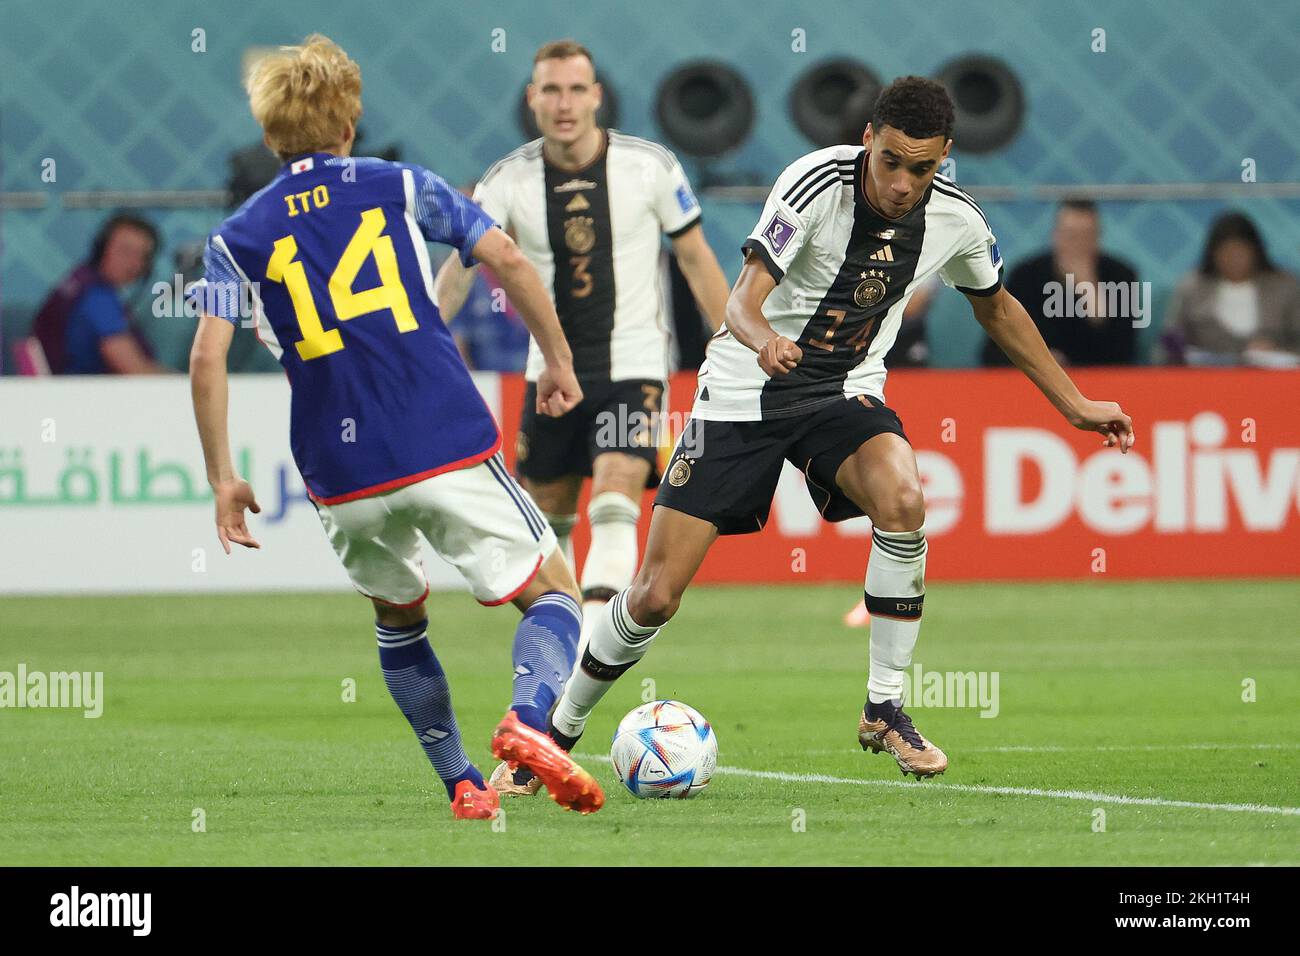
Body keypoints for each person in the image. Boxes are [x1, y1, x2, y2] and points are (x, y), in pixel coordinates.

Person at [549, 76, 1135, 780]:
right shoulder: (813, 184)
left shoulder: (956, 220)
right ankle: (554, 736)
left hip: (842, 390)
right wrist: (764, 339)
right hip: (744, 390)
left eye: (921, 168)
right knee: (653, 597)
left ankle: (884, 708)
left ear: (944, 157)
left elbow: (998, 309)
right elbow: (741, 301)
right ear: (868, 141)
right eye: (890, 161)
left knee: (905, 501)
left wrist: (1074, 404)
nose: (901, 183)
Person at [188, 34, 604, 820]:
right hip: (440, 436)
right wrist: (556, 361)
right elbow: (507, 257)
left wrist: (222, 478)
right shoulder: (400, 185)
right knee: (554, 594)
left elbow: (207, 359)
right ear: (350, 124)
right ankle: (527, 718)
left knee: (398, 617)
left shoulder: (235, 238)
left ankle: (462, 784)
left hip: (340, 477)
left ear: (272, 136)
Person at [433, 39, 732, 797]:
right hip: (551, 379)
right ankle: (552, 706)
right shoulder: (507, 180)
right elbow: (462, 269)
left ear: (597, 94)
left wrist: (737, 341)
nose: (563, 103)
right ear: (533, 100)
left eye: (574, 89)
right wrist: (425, 352)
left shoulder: (650, 167)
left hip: (635, 368)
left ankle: (562, 712)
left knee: (615, 495)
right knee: (545, 548)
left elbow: (696, 258)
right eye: (549, 91)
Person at [981, 199, 1139, 367]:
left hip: (1098, 379)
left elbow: (1124, 354)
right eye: (1071, 235)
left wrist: (1088, 288)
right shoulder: (1026, 275)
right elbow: (995, 349)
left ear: (1098, 237)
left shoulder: (1121, 276)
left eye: (1086, 236)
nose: (1078, 245)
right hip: (1035, 377)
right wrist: (1039, 360)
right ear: (1056, 235)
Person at [31, 213, 170, 374]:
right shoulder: (98, 299)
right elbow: (134, 369)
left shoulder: (78, 282)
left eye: (142, 256)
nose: (134, 263)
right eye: (126, 251)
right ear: (102, 250)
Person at [1160, 211, 1300, 365]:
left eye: (1241, 252)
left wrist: (1277, 350)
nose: (1234, 260)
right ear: (1213, 254)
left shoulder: (1286, 287)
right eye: (1226, 253)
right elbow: (1169, 344)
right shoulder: (1192, 287)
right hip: (1206, 380)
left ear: (1256, 252)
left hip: (1275, 380)